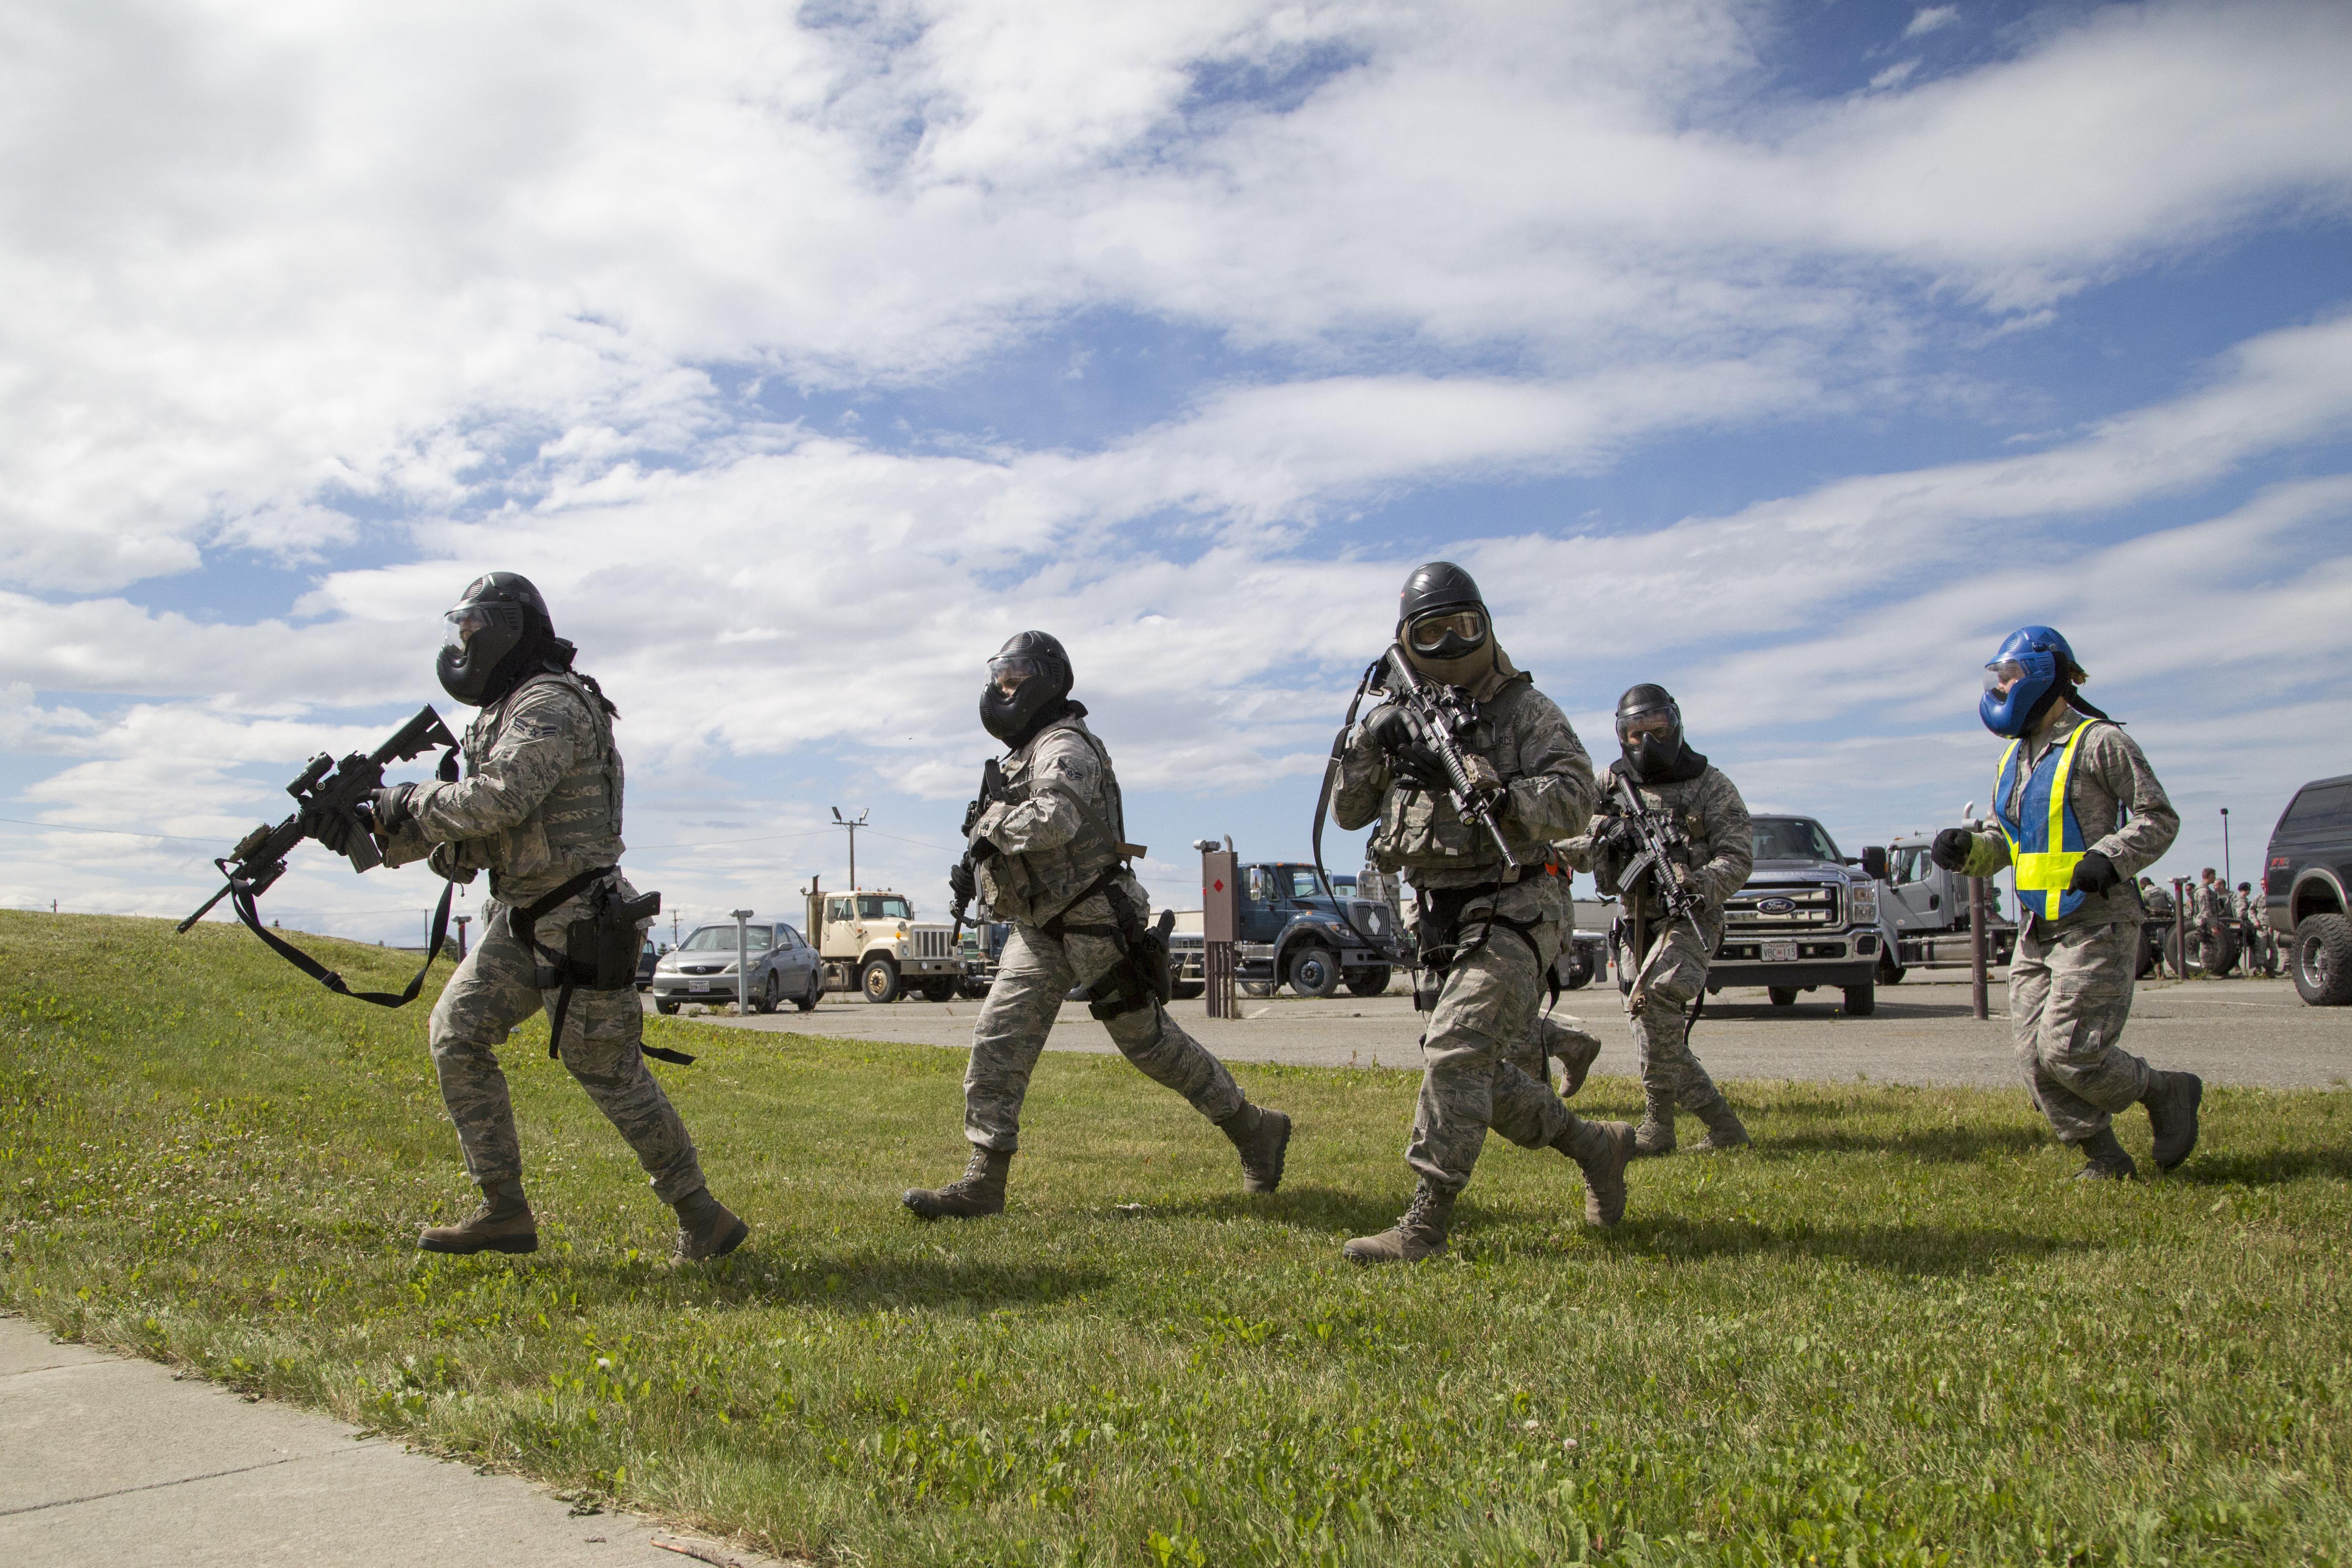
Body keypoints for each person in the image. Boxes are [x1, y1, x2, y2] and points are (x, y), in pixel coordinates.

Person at [352, 573, 746, 1259]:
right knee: (457, 1031)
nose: (462, 644)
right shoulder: (502, 711)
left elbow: (500, 797)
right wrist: (372, 834)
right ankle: (502, 1209)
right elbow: (474, 837)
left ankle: (702, 1216)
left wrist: (408, 798)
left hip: (578, 920)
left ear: (505, 630)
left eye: (472, 630)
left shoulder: (548, 703)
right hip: (520, 913)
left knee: (610, 1071)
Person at [903, 633, 1291, 1219]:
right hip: (1040, 930)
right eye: (998, 676)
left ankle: (1255, 1129)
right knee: (997, 1040)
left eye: (1014, 677)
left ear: (1044, 681)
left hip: (1095, 924)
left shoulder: (1065, 746)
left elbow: (1055, 818)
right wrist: (979, 865)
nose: (1001, 688)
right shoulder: (1021, 754)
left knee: (1151, 1045)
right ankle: (983, 1181)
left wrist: (991, 825)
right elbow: (1014, 836)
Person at [1329, 562, 1631, 1263]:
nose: (1446, 645)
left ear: (1485, 625)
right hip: (1436, 914)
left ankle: (1424, 1226)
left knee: (1455, 1048)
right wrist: (1374, 737)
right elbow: (1347, 813)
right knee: (1482, 1076)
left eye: (1459, 627)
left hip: (1516, 895)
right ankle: (1596, 1146)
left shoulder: (1524, 710)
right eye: (1427, 633)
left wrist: (1500, 795)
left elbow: (1574, 795)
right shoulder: (1399, 716)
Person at [1929, 627, 2201, 1179]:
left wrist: (2111, 855)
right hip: (2038, 927)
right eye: (1994, 678)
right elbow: (2005, 842)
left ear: (2041, 675)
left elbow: (2157, 817)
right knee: (2032, 1058)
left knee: (2068, 1052)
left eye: (2007, 676)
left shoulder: (2100, 741)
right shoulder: (2012, 758)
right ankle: (2104, 1157)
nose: (1998, 687)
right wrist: (1966, 852)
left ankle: (2164, 1090)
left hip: (2097, 923)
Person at [1568, 686, 1753, 1157]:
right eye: (1636, 733)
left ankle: (1658, 1125)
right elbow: (1571, 838)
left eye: (1657, 730)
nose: (1646, 741)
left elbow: (1737, 856)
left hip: (1692, 917)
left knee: (1653, 1005)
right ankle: (1719, 1129)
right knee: (1651, 1026)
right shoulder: (1609, 782)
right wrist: (1607, 832)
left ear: (1675, 726)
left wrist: (1697, 880)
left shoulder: (1710, 784)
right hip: (1634, 919)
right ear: (1621, 734)